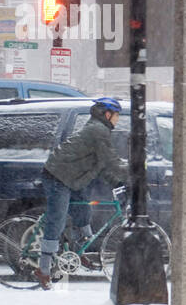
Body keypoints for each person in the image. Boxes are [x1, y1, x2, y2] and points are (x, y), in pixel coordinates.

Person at [35, 97, 129, 289]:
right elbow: (111, 160)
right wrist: (133, 173)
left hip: (74, 178)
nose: (117, 120)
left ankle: (79, 253)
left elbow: (102, 165)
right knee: (57, 220)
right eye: (117, 115)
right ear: (107, 114)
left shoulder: (99, 130)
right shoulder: (98, 130)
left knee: (83, 212)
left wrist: (118, 182)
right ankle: (43, 269)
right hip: (58, 176)